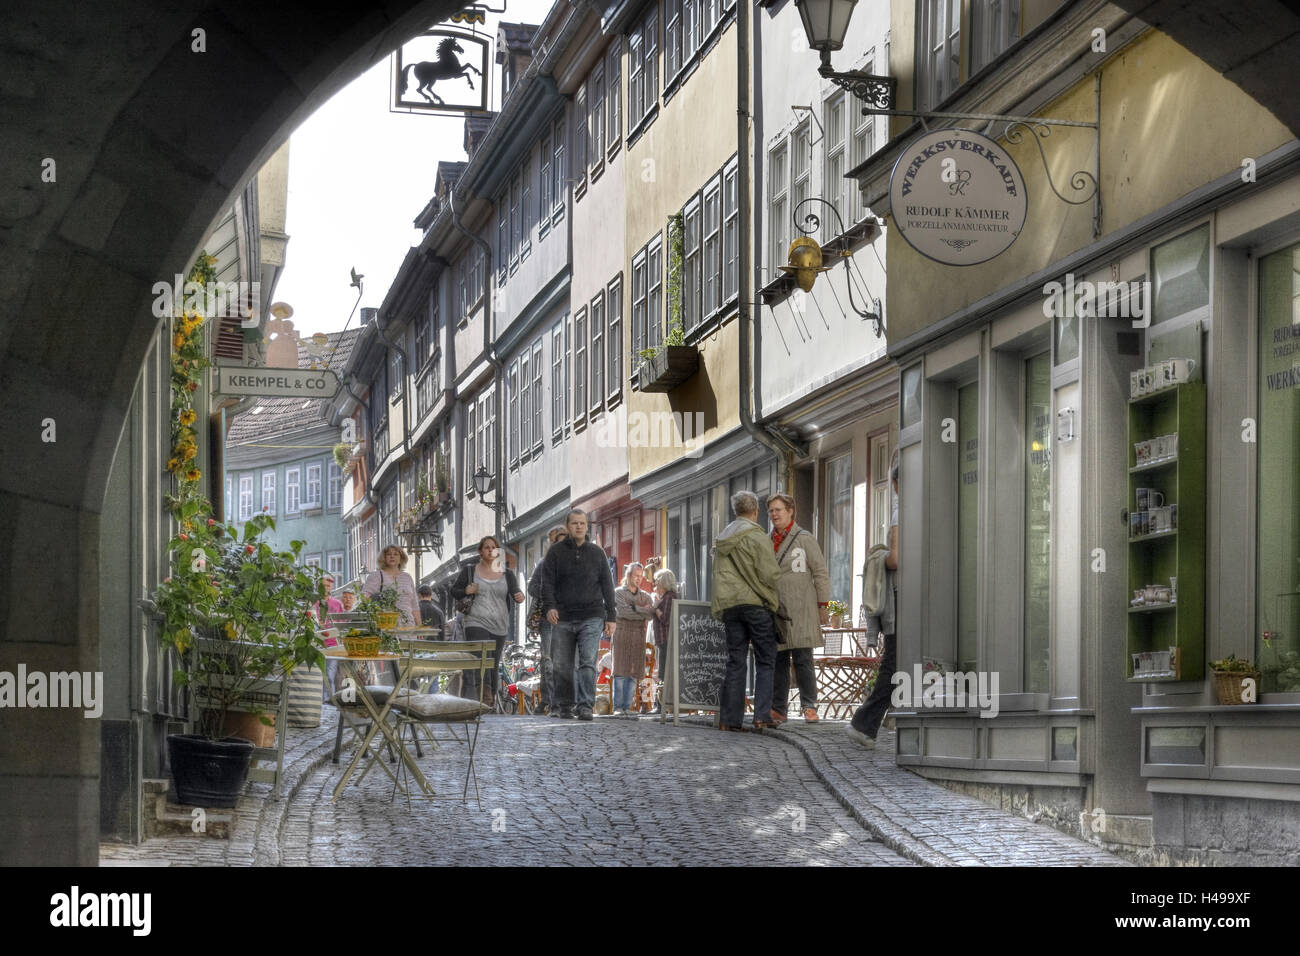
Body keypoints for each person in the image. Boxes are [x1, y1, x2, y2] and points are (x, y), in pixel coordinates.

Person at [711, 491, 783, 732]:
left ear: (736, 511)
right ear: (755, 511)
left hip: (730, 606)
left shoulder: (722, 539)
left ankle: (729, 720)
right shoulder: (757, 536)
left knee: (736, 660)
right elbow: (770, 574)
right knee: (765, 658)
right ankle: (761, 715)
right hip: (755, 605)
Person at [540, 509, 617, 721]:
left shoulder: (597, 553)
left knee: (587, 662)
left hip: (592, 615)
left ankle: (585, 706)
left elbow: (607, 585)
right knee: (563, 665)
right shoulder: (555, 553)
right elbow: (547, 583)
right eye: (574, 523)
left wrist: (611, 616)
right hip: (563, 616)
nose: (579, 527)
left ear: (587, 526)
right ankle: (564, 705)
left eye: (582, 523)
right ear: (568, 525)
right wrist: (550, 607)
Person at [848, 453, 901, 748]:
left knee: (895, 664)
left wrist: (878, 556)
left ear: (894, 483)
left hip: (902, 599)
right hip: (907, 600)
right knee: (895, 664)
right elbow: (896, 559)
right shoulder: (908, 509)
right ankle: (864, 724)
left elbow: (895, 559)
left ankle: (866, 724)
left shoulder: (900, 510)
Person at [767, 493, 830, 724]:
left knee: (803, 658)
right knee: (779, 659)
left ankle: (809, 706)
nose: (774, 514)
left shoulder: (805, 539)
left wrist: (823, 604)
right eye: (771, 511)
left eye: (778, 510)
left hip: (802, 608)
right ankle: (778, 709)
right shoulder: (766, 541)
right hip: (778, 609)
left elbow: (820, 572)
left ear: (790, 510)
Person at [452, 535, 524, 705]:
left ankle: (490, 697)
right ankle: (483, 697)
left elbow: (515, 593)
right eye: (487, 547)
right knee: (482, 657)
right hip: (475, 621)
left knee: (492, 661)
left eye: (494, 547)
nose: (491, 550)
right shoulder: (470, 571)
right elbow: (454, 591)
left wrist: (519, 596)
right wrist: (466, 590)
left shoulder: (506, 574)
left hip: (500, 624)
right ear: (480, 551)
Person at [528, 526, 567, 715]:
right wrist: (549, 593)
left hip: (569, 619)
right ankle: (550, 700)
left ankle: (558, 700)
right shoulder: (544, 564)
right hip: (548, 619)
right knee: (549, 661)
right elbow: (532, 588)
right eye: (558, 542)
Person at [612, 562, 655, 715]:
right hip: (622, 634)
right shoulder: (618, 593)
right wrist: (640, 611)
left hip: (638, 636)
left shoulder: (645, 596)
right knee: (620, 672)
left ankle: (628, 707)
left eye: (641, 576)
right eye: (636, 576)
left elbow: (651, 614)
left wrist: (635, 608)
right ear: (628, 575)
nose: (638, 579)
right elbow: (622, 612)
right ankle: (618, 707)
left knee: (633, 673)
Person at [363, 545, 420, 627]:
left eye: (396, 554)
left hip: (408, 625)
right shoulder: (376, 576)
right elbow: (364, 598)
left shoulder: (407, 577)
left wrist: (419, 627)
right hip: (385, 624)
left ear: (401, 558)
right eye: (389, 554)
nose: (392, 556)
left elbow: (414, 605)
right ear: (384, 558)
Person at [648, 568, 678, 713]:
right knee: (663, 671)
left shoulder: (669, 597)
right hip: (663, 640)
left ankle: (660, 705)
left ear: (664, 582)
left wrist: (656, 608)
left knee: (663, 672)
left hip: (666, 640)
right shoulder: (666, 596)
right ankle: (661, 704)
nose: (655, 583)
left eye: (657, 580)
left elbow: (666, 619)